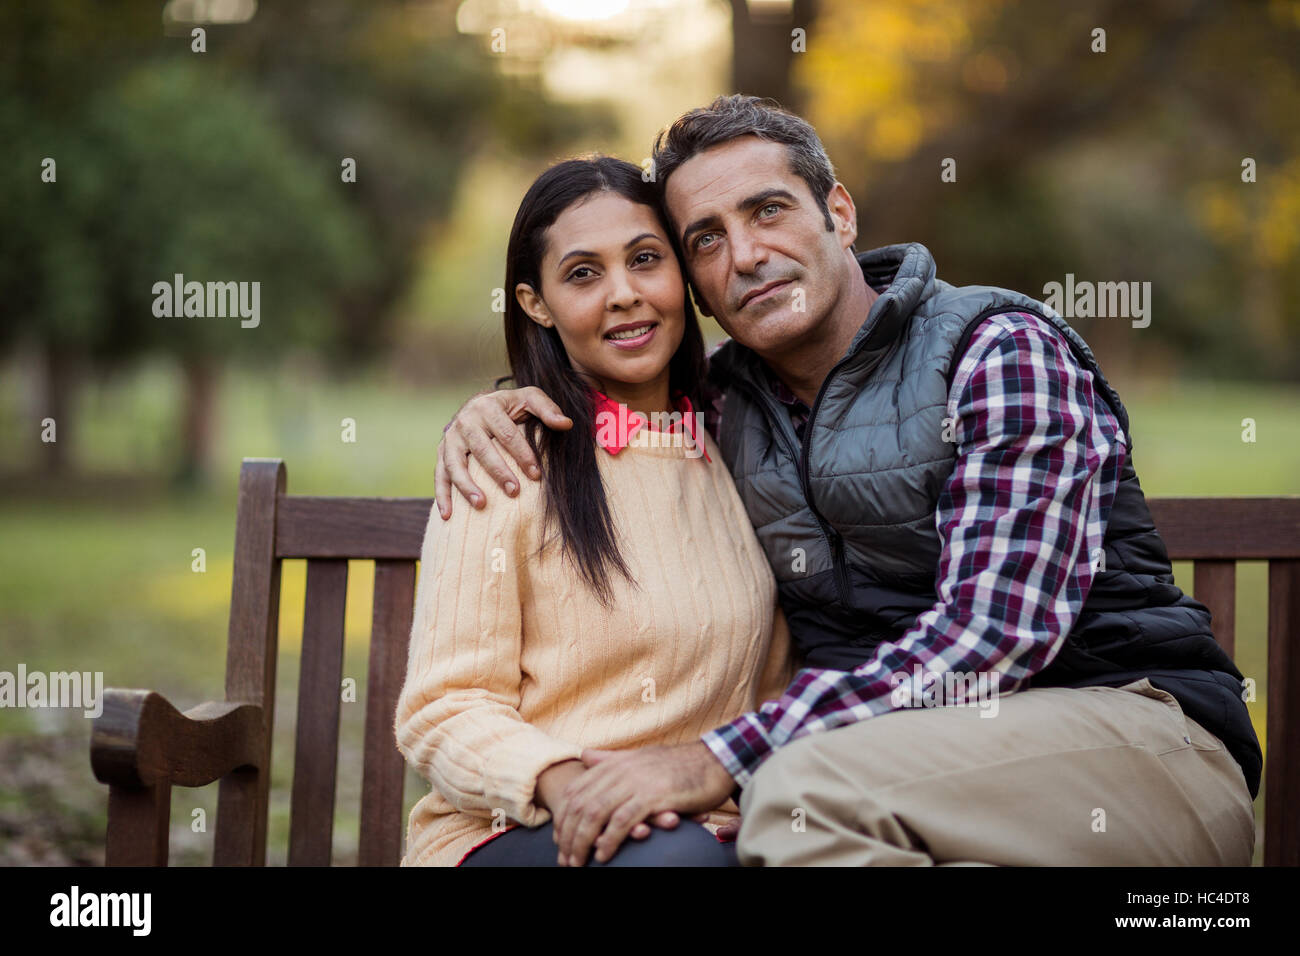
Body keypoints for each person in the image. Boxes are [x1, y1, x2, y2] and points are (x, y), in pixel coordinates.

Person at [434, 95, 1262, 867]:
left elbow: (994, 635)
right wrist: (493, 412)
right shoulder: (726, 409)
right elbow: (626, 423)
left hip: (1124, 732)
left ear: (839, 212)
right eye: (707, 239)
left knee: (798, 796)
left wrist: (718, 758)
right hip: (894, 768)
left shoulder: (995, 352)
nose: (747, 255)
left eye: (768, 210)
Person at [393, 154, 793, 867]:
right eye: (583, 274)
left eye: (646, 260)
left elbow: (770, 693)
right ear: (535, 303)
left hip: (709, 832)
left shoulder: (739, 440)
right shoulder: (508, 457)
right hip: (516, 830)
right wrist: (573, 785)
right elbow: (444, 709)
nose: (624, 295)